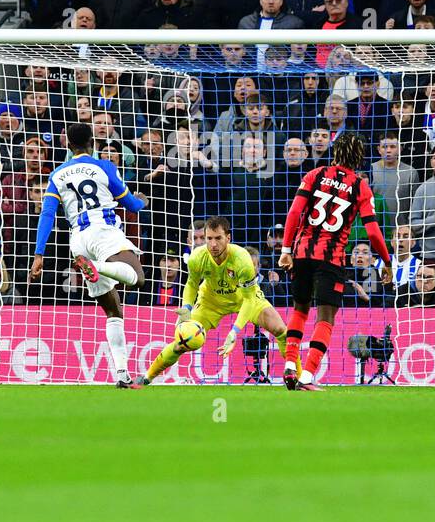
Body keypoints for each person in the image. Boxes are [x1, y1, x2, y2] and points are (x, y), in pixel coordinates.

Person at [30, 122, 147, 388]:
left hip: (78, 240)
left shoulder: (57, 174)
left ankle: (121, 374)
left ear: (68, 146)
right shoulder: (104, 167)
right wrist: (142, 200)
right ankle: (96, 265)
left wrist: (39, 253)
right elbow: (130, 204)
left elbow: (47, 214)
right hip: (103, 230)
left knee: (113, 310)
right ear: (92, 143)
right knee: (138, 279)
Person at [277, 132, 392, 391]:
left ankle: (289, 365)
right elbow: (372, 231)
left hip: (302, 254)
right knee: (325, 317)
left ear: (335, 151)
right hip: (331, 259)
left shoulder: (315, 174)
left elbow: (294, 212)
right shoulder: (360, 186)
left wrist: (286, 249)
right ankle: (307, 376)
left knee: (299, 310)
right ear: (359, 156)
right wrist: (386, 261)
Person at [140, 215, 291, 385]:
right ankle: (147, 377)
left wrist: (234, 331)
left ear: (228, 238)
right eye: (208, 238)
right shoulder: (198, 257)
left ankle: (297, 377)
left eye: (218, 238)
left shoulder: (242, 259)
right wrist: (187, 307)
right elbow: (191, 284)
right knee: (181, 342)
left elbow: (249, 300)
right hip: (210, 302)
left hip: (245, 299)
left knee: (281, 330)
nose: (213, 244)